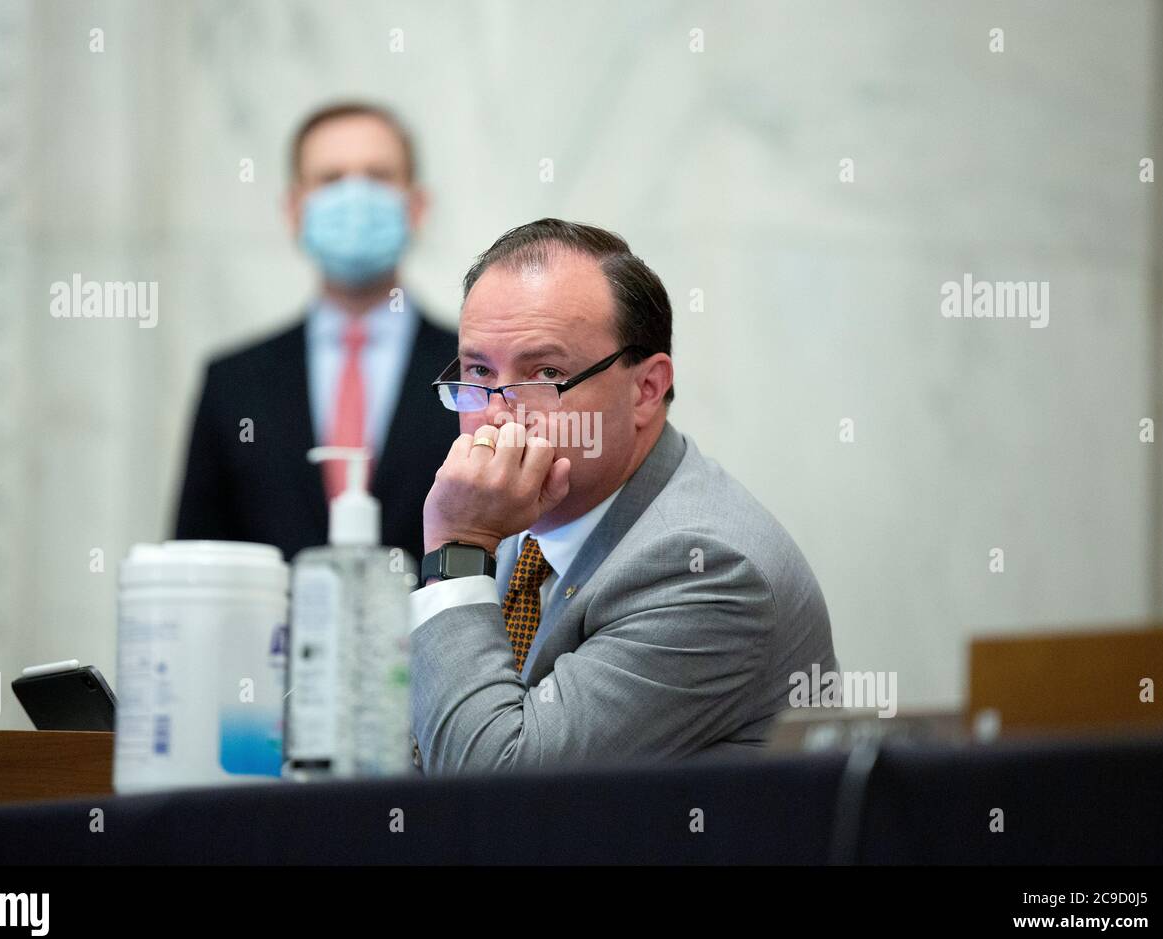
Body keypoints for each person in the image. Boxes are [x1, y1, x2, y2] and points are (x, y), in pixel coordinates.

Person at [409, 219, 836, 773]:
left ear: (646, 389)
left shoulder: (706, 571)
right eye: (478, 371)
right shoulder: (522, 514)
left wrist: (457, 550)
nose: (496, 413)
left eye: (545, 373)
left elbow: (495, 792)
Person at [175, 102, 458, 563]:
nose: (355, 197)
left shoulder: (473, 373)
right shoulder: (234, 383)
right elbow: (195, 561)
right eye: (330, 179)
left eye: (378, 175)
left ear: (416, 206)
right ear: (294, 208)